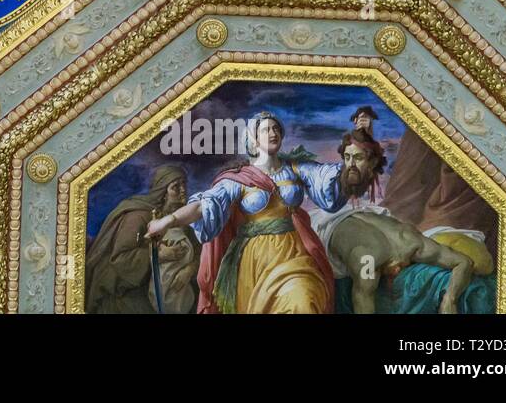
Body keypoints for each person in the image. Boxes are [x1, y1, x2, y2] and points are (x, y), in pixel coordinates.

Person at [147, 111, 378, 313]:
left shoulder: (297, 168)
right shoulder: (239, 178)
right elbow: (203, 206)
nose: (273, 133)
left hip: (295, 252)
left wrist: (359, 147)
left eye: (276, 128)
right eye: (266, 130)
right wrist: (168, 221)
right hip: (255, 260)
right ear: (253, 138)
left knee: (303, 301)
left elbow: (335, 183)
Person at [85, 164, 198, 313]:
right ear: (163, 191)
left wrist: (189, 270)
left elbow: (199, 251)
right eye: (176, 186)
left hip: (174, 293)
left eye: (184, 184)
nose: (183, 190)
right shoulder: (137, 216)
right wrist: (158, 255)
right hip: (132, 292)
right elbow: (120, 258)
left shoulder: (183, 220)